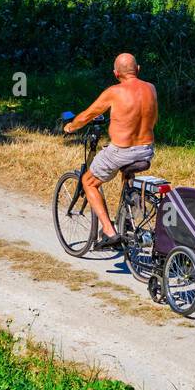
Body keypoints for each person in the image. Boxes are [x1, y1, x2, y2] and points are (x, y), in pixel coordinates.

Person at [63, 53, 158, 248]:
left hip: (122, 151)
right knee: (127, 171)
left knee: (88, 181)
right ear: (138, 69)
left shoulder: (114, 92)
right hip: (146, 149)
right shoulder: (151, 88)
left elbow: (89, 114)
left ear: (116, 73)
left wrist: (71, 126)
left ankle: (108, 230)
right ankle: (129, 217)